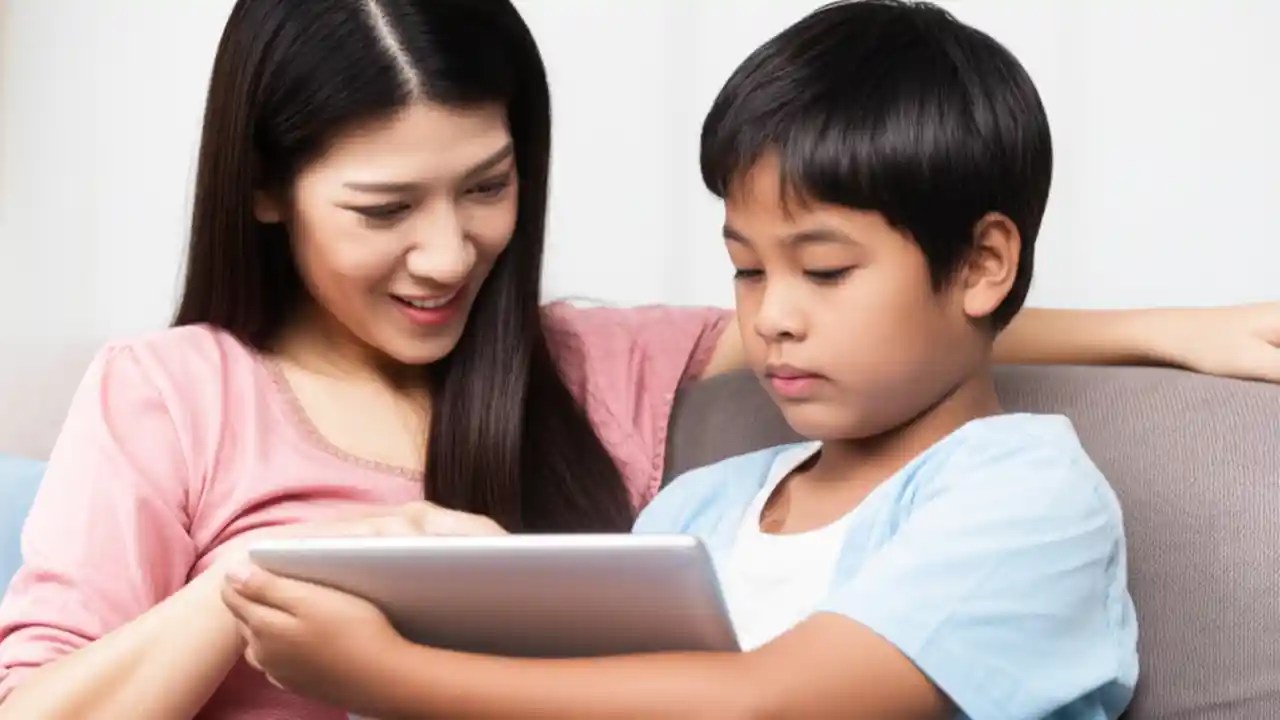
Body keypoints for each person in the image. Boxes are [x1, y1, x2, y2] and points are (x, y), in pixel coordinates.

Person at [0, 0, 1268, 717]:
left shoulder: (592, 367)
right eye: (385, 211)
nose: (447, 255)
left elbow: (878, 316)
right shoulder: (167, 394)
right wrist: (249, 587)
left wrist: (1164, 329)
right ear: (267, 192)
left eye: (487, 187)